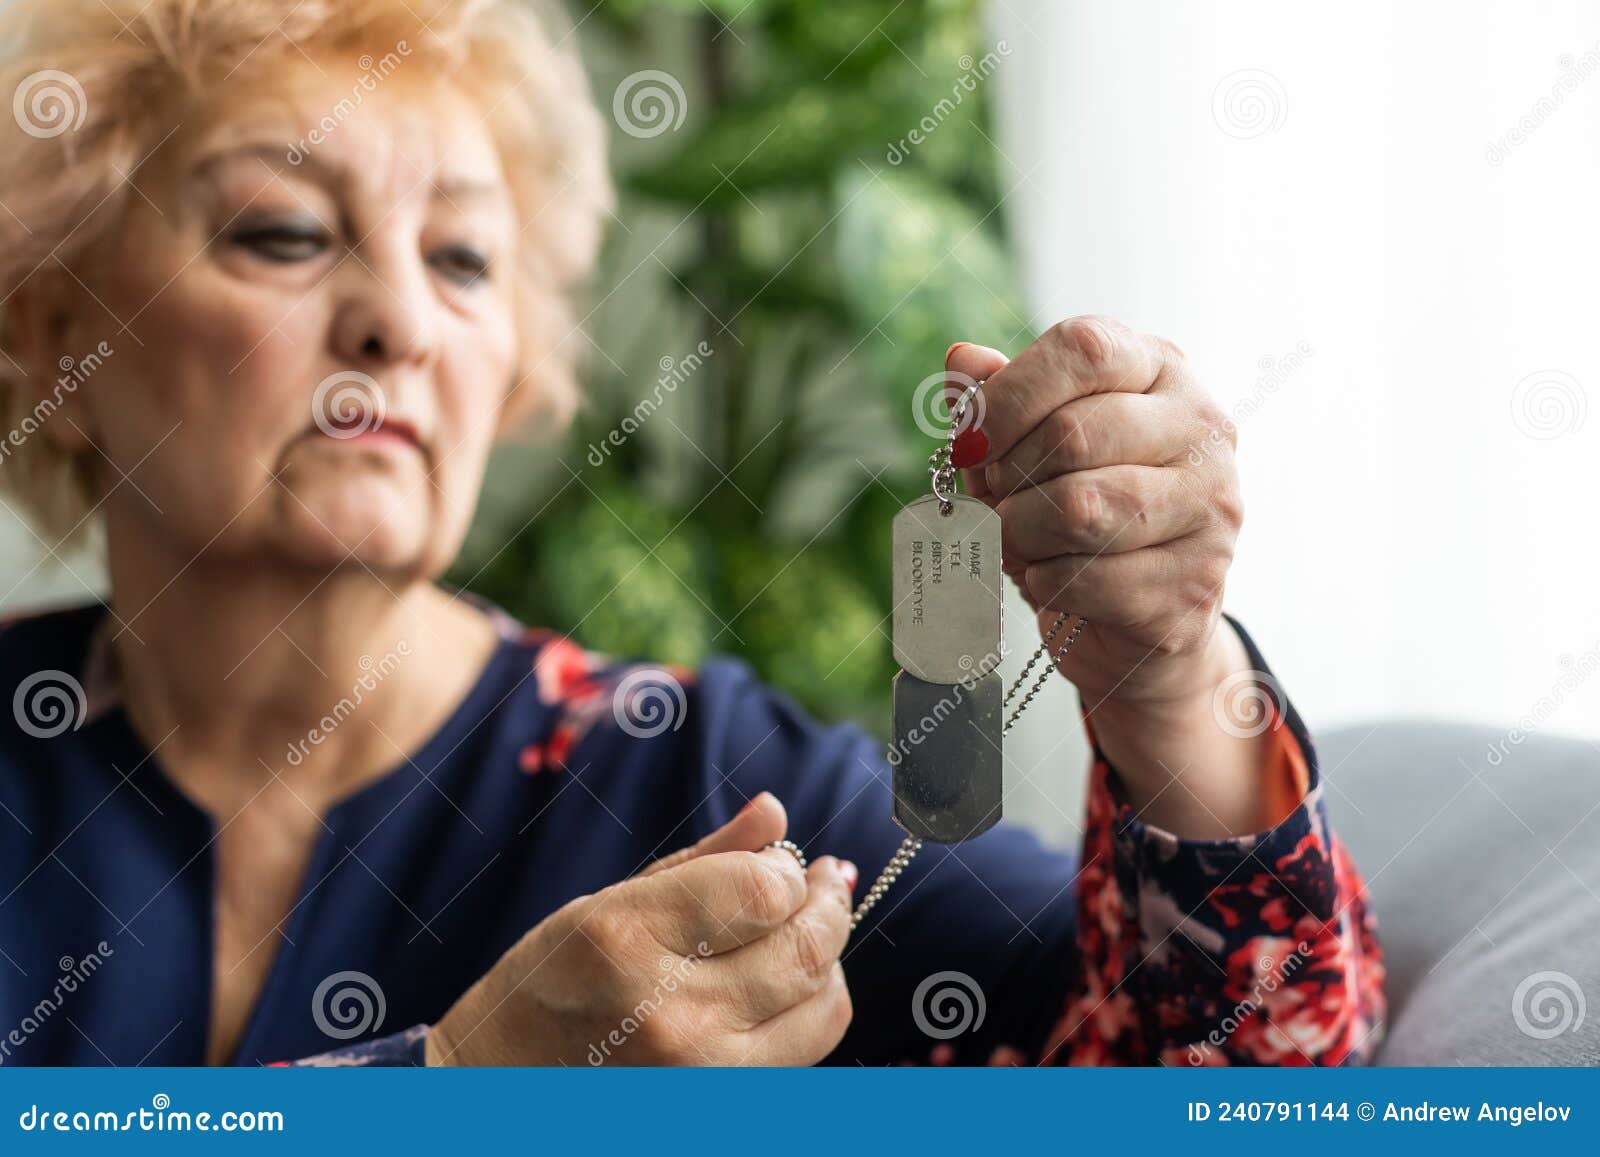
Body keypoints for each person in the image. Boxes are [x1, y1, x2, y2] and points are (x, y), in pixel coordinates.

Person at [0, 0, 1382, 1067]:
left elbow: (1237, 1086)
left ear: (520, 365)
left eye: (464, 259)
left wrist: (1171, 681)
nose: (402, 322)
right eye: (285, 231)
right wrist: (456, 1091)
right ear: (56, 331)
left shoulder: (696, 778)